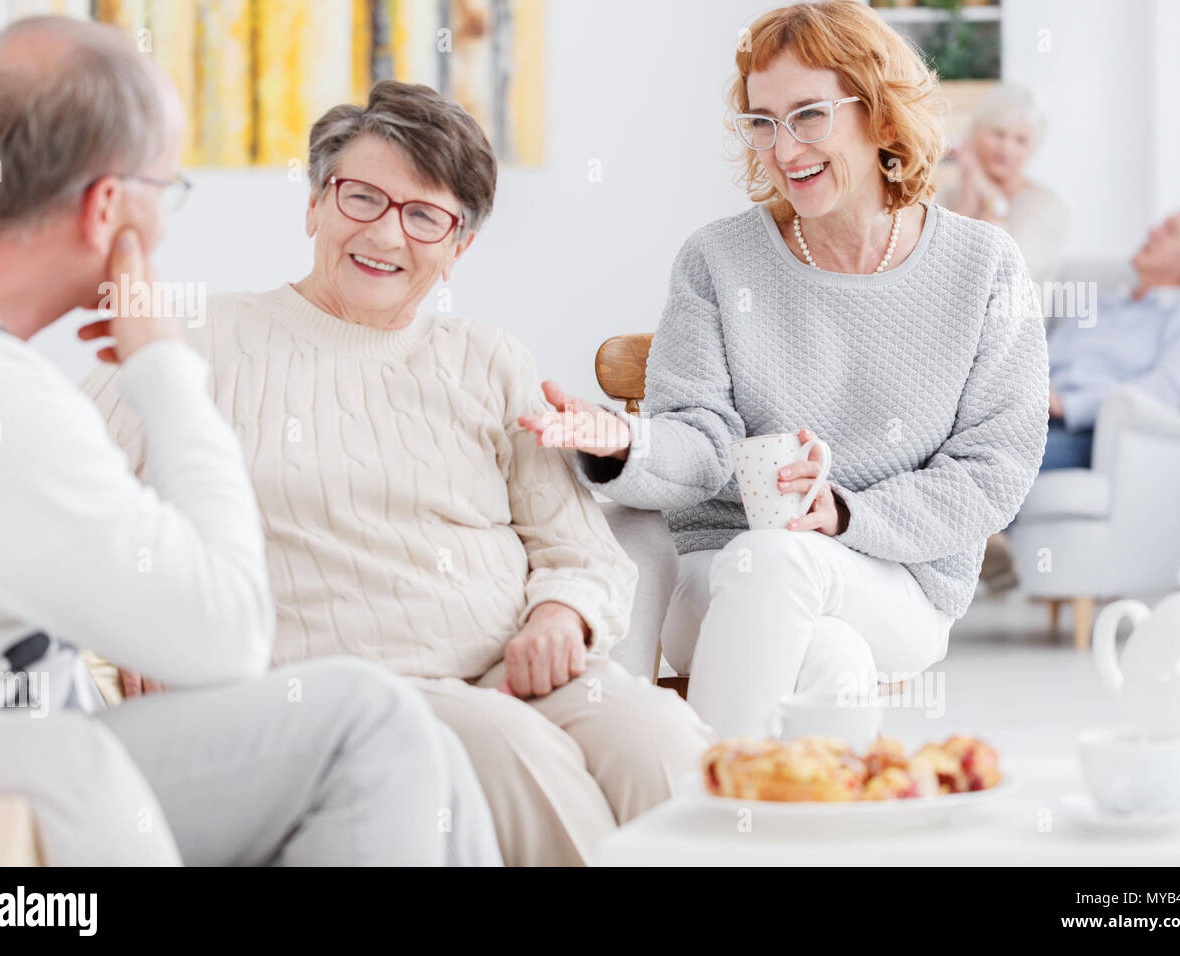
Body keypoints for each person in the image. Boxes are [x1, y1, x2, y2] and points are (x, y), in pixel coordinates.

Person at [83, 79, 713, 867]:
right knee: (518, 753)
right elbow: (67, 503)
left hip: (515, 667)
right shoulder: (200, 339)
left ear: (459, 246)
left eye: (424, 216)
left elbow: (580, 551)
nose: (388, 233)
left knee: (661, 740)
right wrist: (135, 625)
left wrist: (562, 617)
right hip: (353, 696)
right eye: (362, 199)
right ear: (314, 204)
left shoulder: (489, 359)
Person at [0, 15, 499, 867]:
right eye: (165, 192)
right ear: (106, 209)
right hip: (2, 787)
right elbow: (228, 627)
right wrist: (164, 365)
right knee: (374, 722)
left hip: (31, 757)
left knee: (428, 760)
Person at [519, 1, 1049, 737]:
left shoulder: (984, 268)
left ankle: (690, 814)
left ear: (882, 117)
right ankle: (763, 823)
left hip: (901, 581)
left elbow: (995, 468)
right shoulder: (718, 259)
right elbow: (700, 439)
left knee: (782, 564)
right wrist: (626, 443)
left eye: (808, 115)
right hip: (718, 571)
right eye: (762, 122)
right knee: (829, 657)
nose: (782, 146)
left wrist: (844, 512)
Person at [1042, 205, 1180, 469]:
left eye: (1170, 231)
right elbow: (1042, 359)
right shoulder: (1101, 303)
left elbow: (1166, 394)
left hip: (1091, 432)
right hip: (1032, 412)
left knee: (986, 460)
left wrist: (1067, 405)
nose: (1153, 231)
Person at [939, 83, 1069, 286]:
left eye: (1020, 140)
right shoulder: (947, 196)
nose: (1006, 148)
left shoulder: (1046, 205)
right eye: (998, 134)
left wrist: (991, 198)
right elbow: (937, 270)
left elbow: (1007, 277)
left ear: (1032, 149)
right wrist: (967, 203)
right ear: (975, 135)